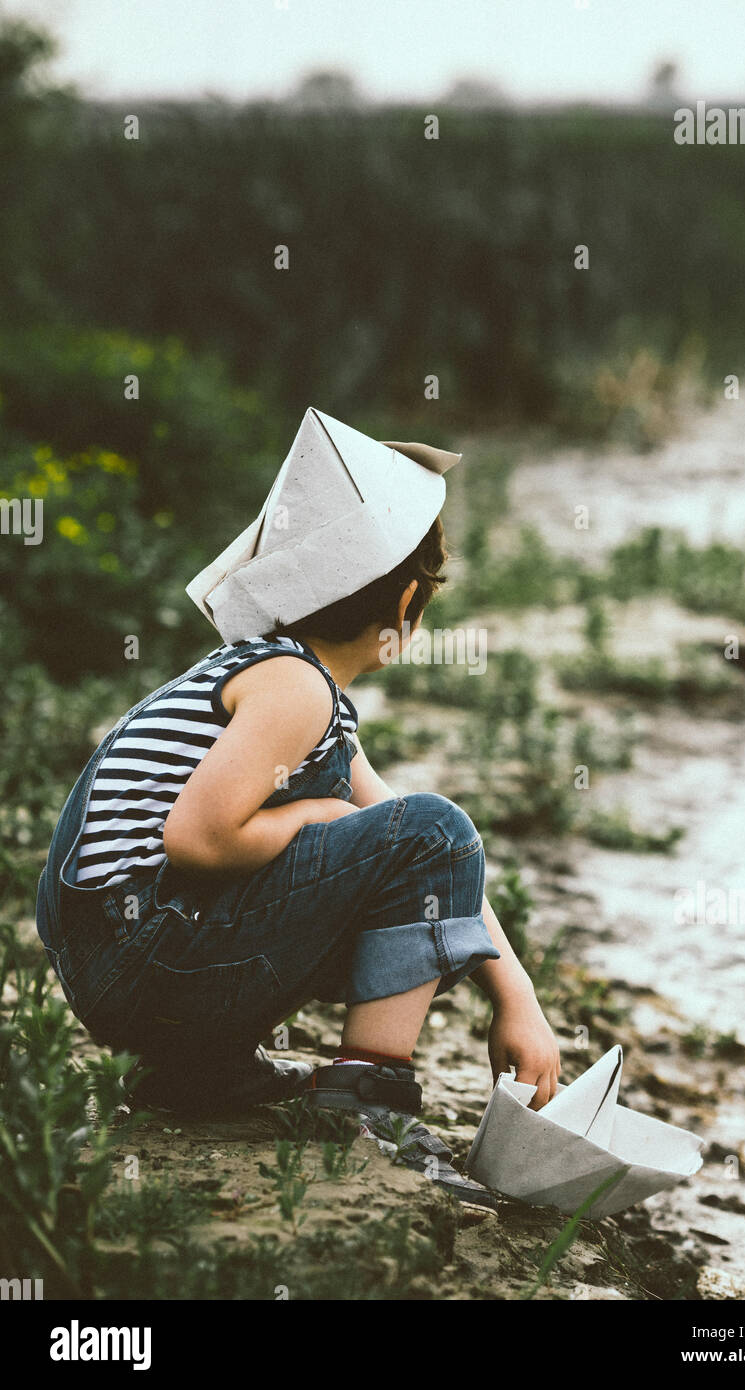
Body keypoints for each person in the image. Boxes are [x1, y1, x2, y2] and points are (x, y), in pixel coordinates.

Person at [36, 408, 561, 1205]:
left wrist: (516, 998)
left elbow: (429, 866)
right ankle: (368, 1093)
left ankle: (196, 1068)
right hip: (140, 951)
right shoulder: (294, 688)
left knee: (423, 867)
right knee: (436, 828)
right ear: (409, 602)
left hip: (120, 960)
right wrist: (308, 819)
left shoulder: (285, 685)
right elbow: (199, 839)